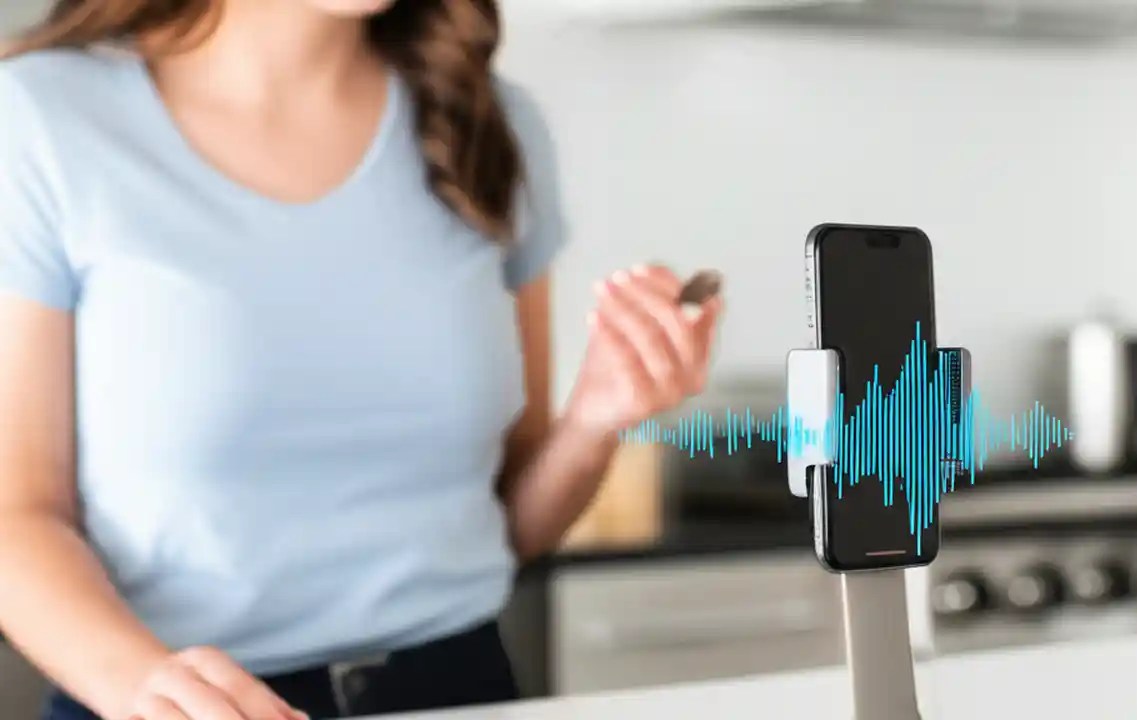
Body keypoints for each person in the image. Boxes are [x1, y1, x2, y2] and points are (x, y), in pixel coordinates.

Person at [0, 1, 723, 718]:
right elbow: (16, 516)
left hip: (460, 689)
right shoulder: (42, 118)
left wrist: (595, 422)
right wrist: (145, 689)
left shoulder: (489, 122)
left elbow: (504, 531)